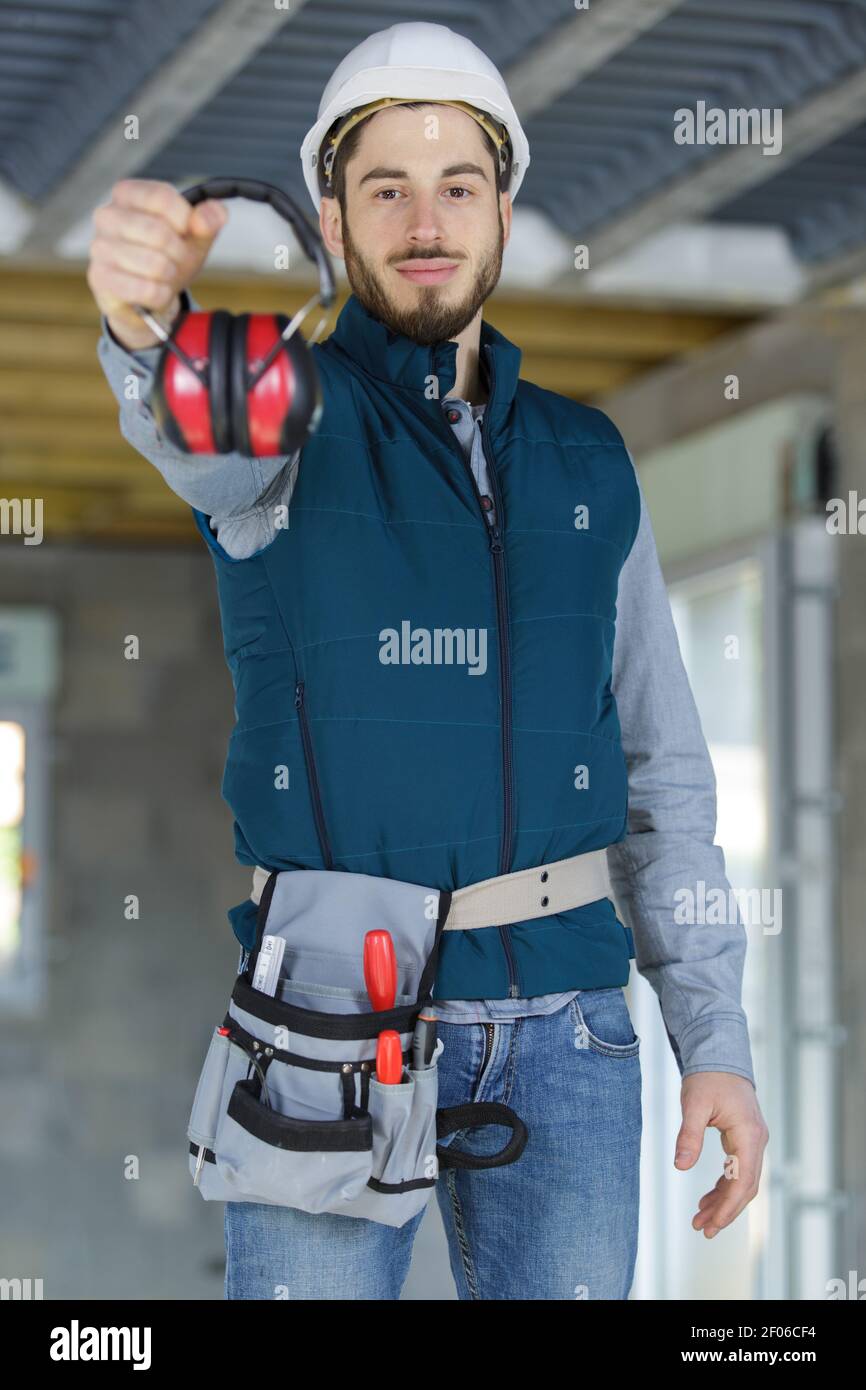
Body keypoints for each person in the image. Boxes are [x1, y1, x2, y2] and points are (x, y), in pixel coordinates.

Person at [88, 21, 768, 1300]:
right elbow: (196, 425)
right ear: (334, 226)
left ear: (503, 210)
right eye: (383, 187)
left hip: (570, 1030)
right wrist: (144, 319)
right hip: (324, 1026)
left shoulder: (588, 461)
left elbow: (659, 778)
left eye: (457, 184)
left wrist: (714, 1042)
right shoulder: (283, 412)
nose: (424, 217)